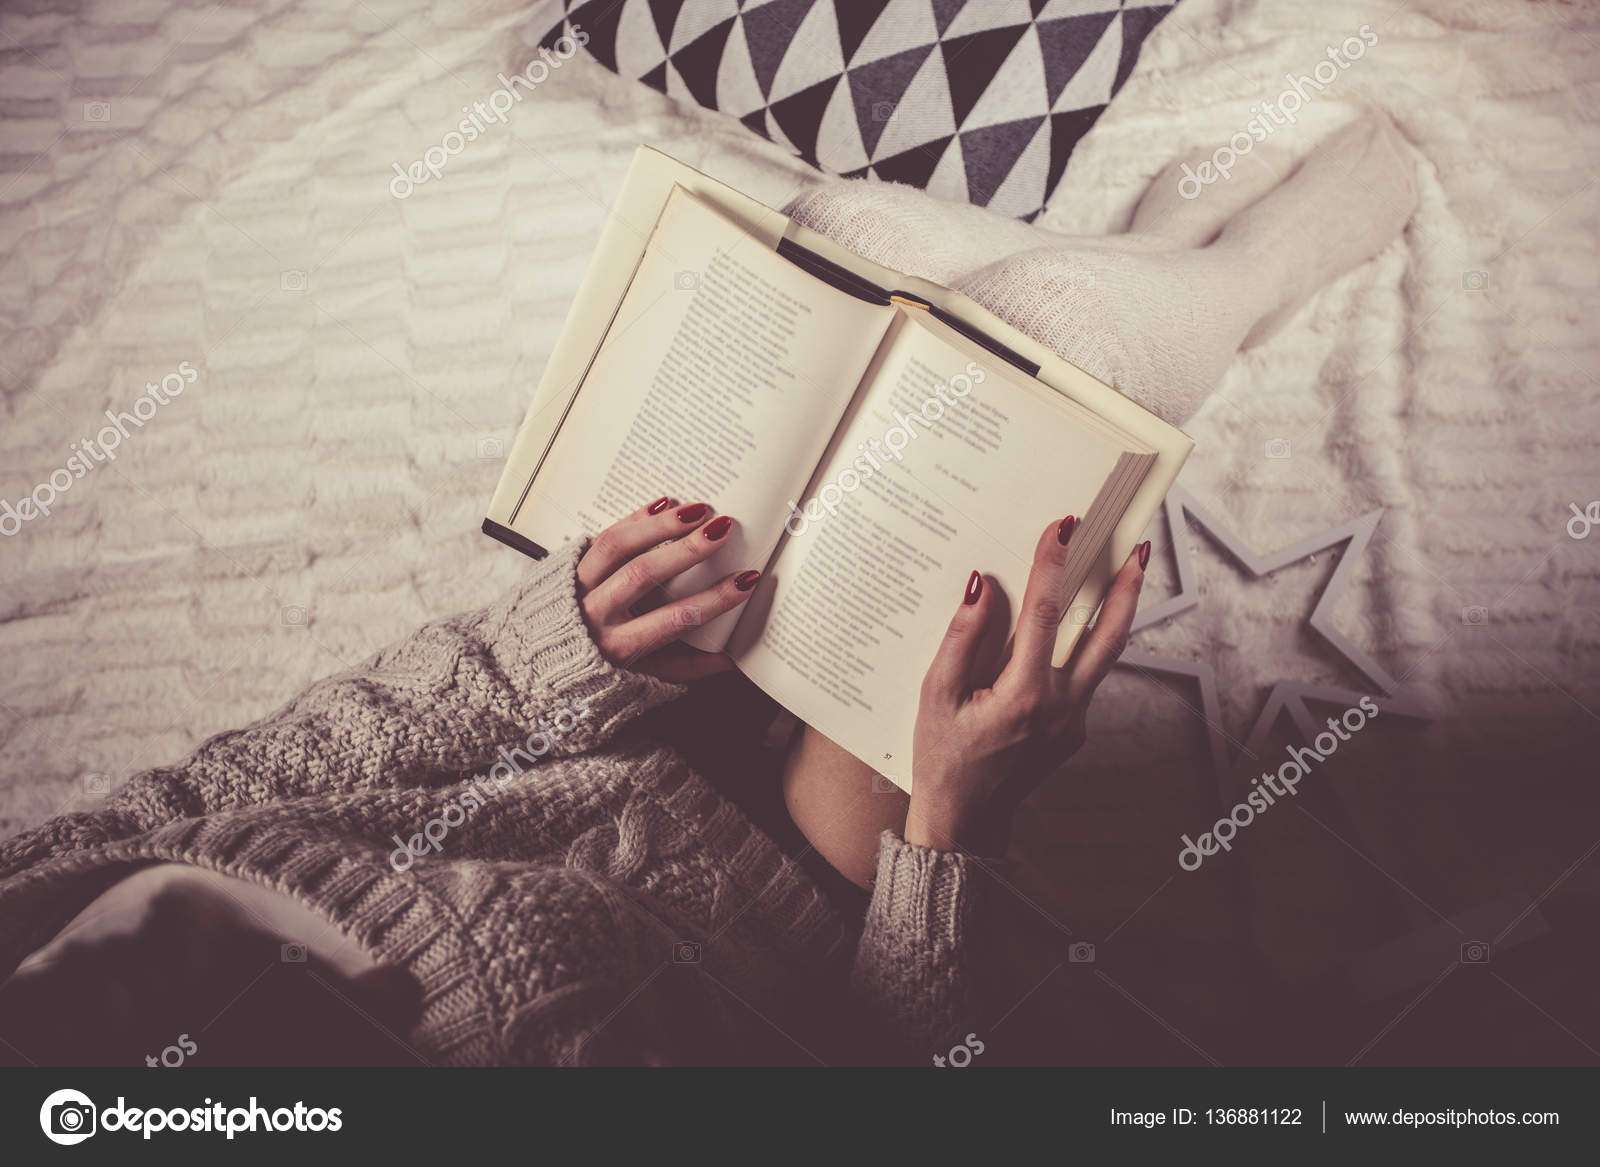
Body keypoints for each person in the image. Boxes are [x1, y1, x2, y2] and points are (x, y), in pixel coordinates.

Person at [0, 498, 1147, 1066]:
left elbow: (239, 781)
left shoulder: (24, 899)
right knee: (989, 538)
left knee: (876, 288)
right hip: (768, 895)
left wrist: (536, 657)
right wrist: (953, 824)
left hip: (569, 725)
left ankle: (1174, 235)